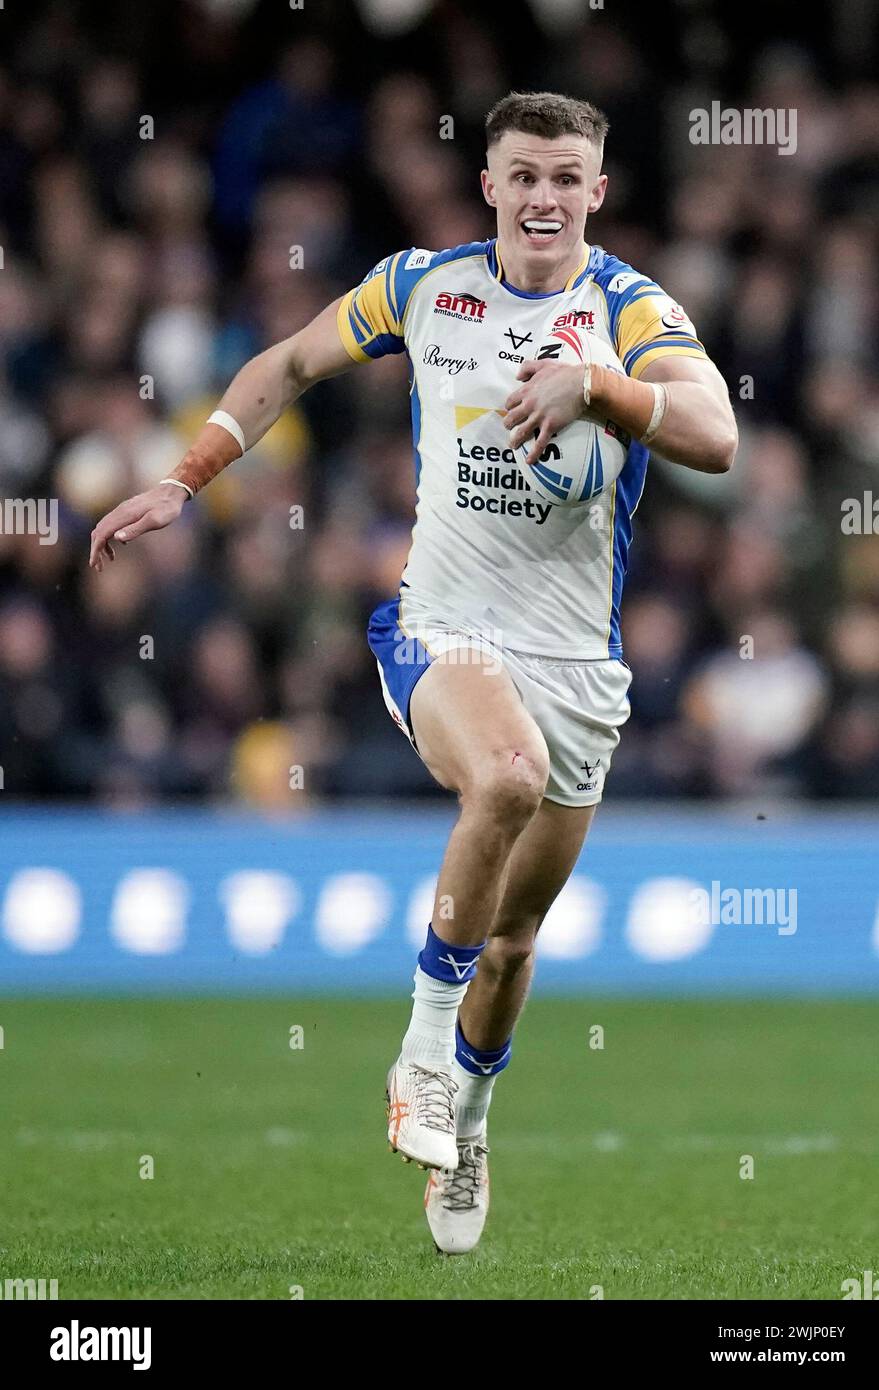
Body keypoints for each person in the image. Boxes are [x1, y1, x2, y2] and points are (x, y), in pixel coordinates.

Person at [89, 91, 737, 1255]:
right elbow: (284, 364)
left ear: (598, 190)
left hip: (578, 664)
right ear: (488, 186)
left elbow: (715, 436)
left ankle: (469, 1117)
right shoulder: (421, 288)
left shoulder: (628, 310)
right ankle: (420, 1052)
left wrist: (594, 387)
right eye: (522, 175)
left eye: (565, 177)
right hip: (442, 629)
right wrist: (182, 481)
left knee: (514, 943)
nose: (544, 196)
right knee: (503, 773)